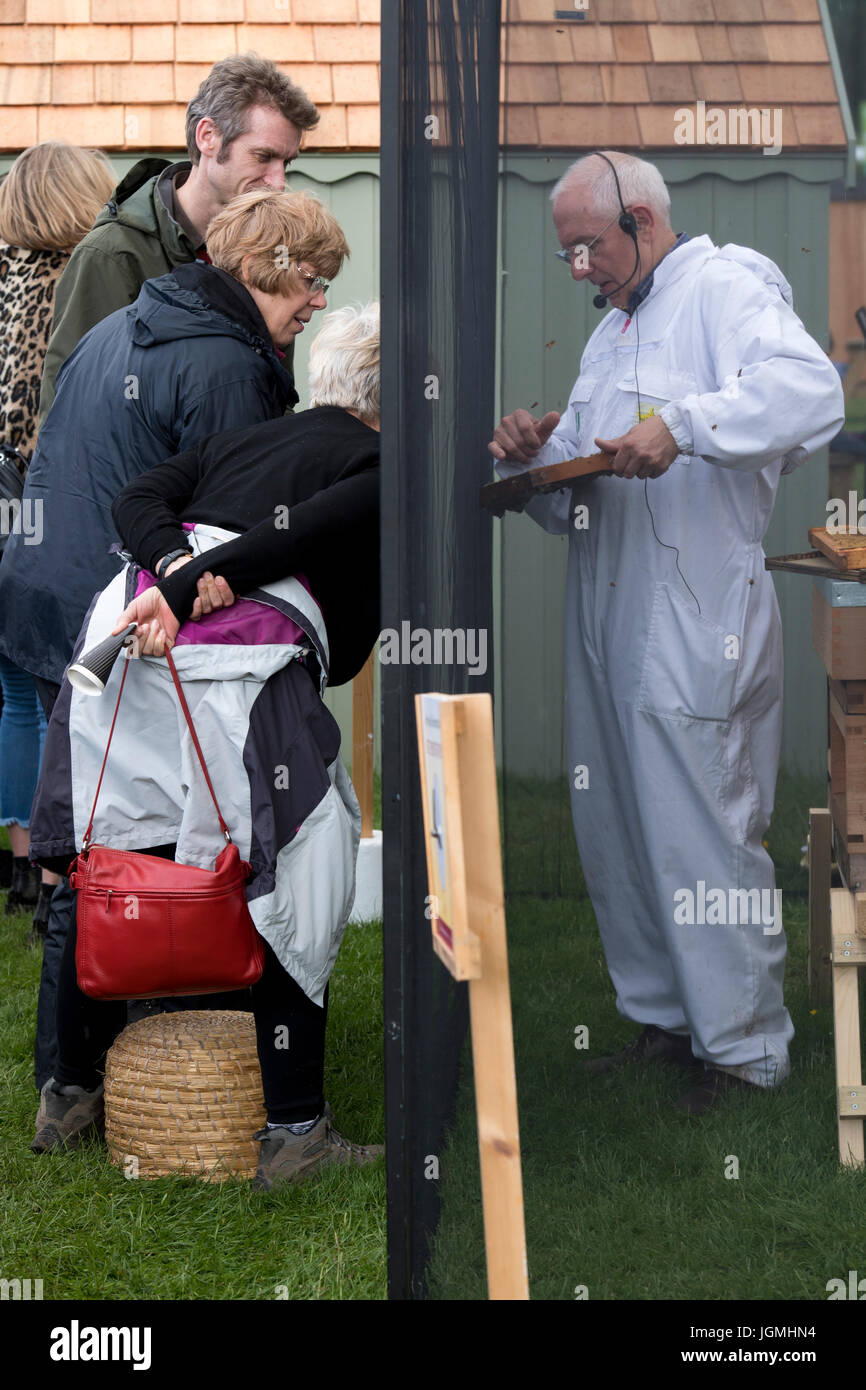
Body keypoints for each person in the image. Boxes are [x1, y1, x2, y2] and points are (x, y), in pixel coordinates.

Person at [488, 151, 845, 1115]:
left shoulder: (726, 287)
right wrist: (539, 456)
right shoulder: (614, 333)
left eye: (587, 247)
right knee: (619, 830)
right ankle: (665, 1020)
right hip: (606, 612)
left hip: (696, 617)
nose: (578, 270)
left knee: (705, 831)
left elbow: (813, 394)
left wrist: (683, 424)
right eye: (564, 253)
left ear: (641, 220)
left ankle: (743, 1051)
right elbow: (582, 491)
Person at [0, 186, 347, 1092]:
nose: (318, 302)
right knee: (173, 838)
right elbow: (234, 527)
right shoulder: (230, 364)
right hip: (139, 621)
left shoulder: (134, 322)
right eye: (311, 281)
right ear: (263, 269)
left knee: (95, 849)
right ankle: (187, 1067)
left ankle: (70, 1084)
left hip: (73, 601)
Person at [29, 304, 382, 1188]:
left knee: (110, 851)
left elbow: (137, 498)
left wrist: (175, 572)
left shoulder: (246, 443)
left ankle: (68, 1092)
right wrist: (192, 585)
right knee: (299, 869)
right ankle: (295, 1132)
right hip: (239, 662)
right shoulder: (380, 457)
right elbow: (311, 527)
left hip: (123, 634)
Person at [38, 51, 318, 423]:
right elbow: (68, 413)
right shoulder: (113, 255)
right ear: (209, 137)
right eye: (263, 157)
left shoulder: (273, 256)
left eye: (287, 162)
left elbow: (277, 399)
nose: (278, 181)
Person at [0, 142, 115, 938]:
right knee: (57, 688)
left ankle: (18, 864)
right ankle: (53, 868)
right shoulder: (87, 279)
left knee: (10, 691)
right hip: (44, 502)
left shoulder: (5, 276)